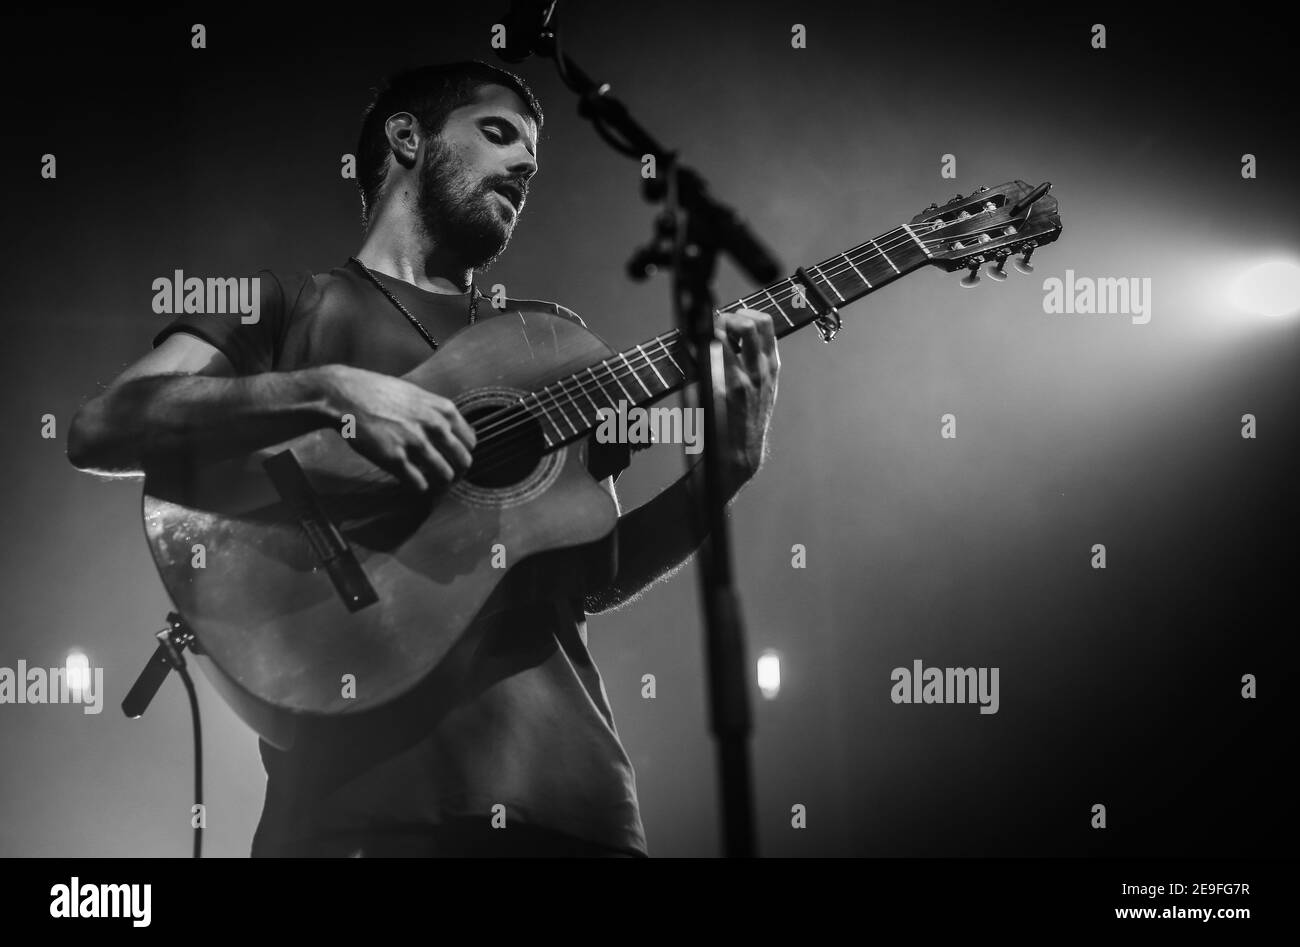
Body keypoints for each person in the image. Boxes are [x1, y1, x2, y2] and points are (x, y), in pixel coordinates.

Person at [67, 60, 779, 857]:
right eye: (498, 133)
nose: (524, 167)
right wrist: (331, 391)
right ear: (408, 137)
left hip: (572, 809)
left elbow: (595, 575)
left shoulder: (551, 340)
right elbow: (104, 425)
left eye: (534, 159)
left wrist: (721, 477)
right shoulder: (284, 305)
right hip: (350, 813)